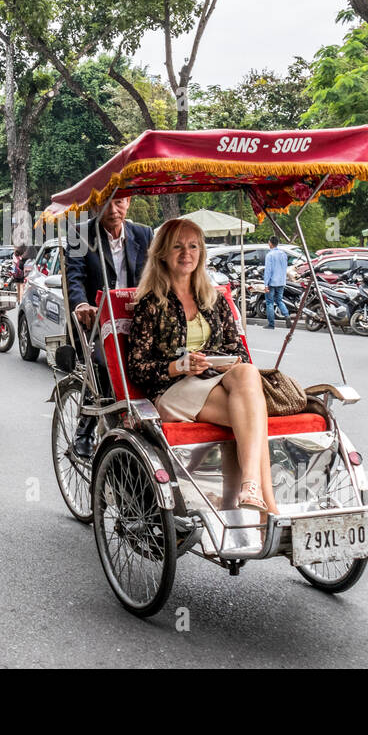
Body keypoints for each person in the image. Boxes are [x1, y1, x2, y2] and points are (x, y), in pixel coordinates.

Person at [127, 218, 278, 515]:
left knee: (247, 373)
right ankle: (266, 505)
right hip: (172, 390)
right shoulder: (151, 304)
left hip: (214, 380)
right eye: (178, 246)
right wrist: (179, 366)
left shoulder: (214, 298)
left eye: (193, 246)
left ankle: (251, 490)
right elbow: (138, 367)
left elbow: (238, 351)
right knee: (252, 416)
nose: (187, 253)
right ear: (162, 254)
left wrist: (223, 362)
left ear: (202, 252)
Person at [66, 196, 153, 329]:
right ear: (95, 206)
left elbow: (155, 275)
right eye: (104, 203)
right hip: (96, 324)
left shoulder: (144, 234)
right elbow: (74, 277)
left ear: (128, 202)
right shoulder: (80, 234)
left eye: (118, 201)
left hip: (139, 322)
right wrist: (81, 304)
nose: (112, 210)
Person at [263, 236, 290, 330]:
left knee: (269, 302)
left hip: (272, 282)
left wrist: (266, 284)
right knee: (279, 300)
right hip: (281, 281)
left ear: (270, 243)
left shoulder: (269, 255)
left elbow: (268, 271)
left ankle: (271, 324)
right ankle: (286, 315)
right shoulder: (283, 254)